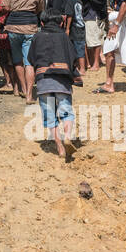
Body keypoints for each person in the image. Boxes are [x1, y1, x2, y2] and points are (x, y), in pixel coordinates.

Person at [30, 9, 82, 161]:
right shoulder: (64, 37)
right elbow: (73, 57)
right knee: (66, 112)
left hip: (44, 81)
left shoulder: (37, 37)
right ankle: (67, 137)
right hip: (62, 81)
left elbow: (31, 59)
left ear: (42, 23)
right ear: (61, 23)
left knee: (49, 116)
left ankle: (59, 146)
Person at [3, 0, 44, 103]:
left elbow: (6, 7)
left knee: (17, 60)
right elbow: (40, 8)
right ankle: (29, 95)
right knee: (29, 62)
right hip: (30, 26)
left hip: (13, 26)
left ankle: (24, 89)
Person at [76, 0, 109, 75]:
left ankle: (96, 63)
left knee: (95, 39)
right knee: (88, 39)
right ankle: (90, 61)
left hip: (93, 12)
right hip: (85, 11)